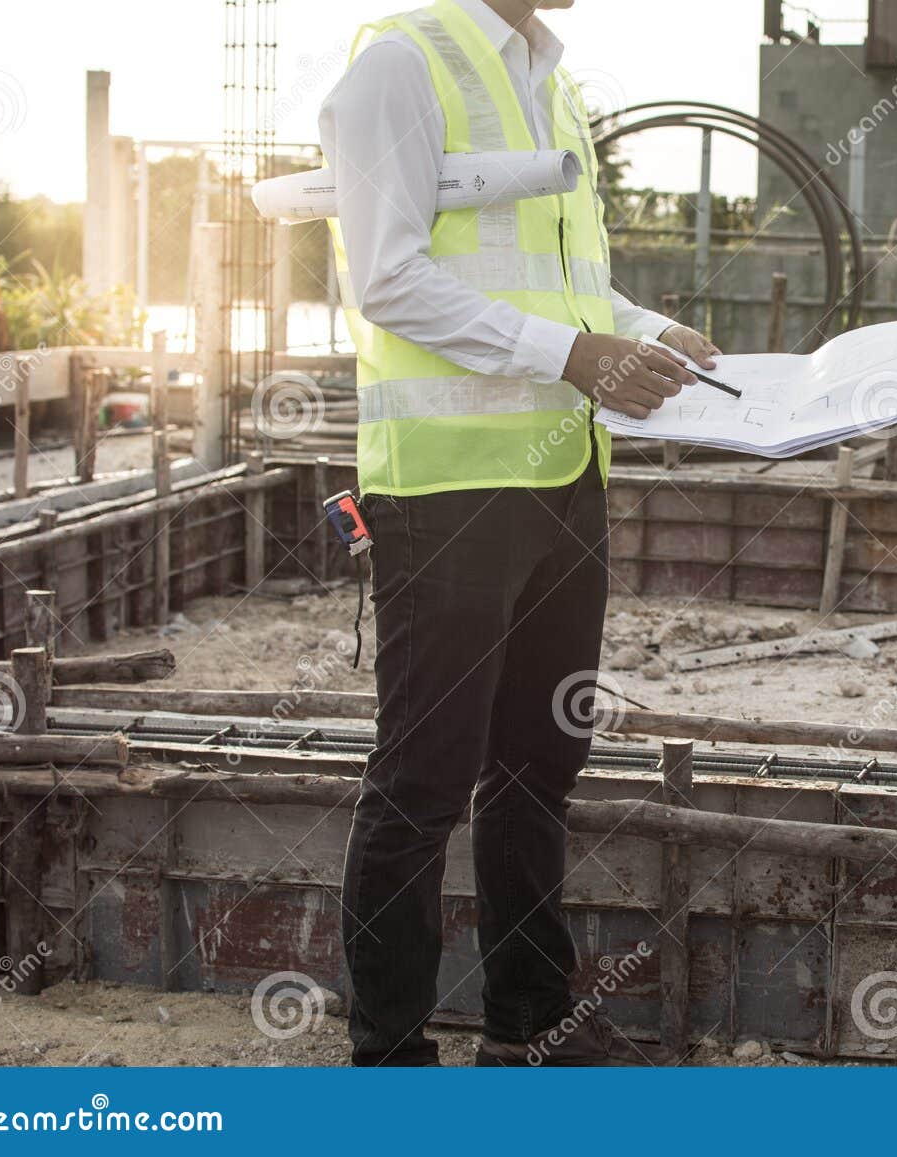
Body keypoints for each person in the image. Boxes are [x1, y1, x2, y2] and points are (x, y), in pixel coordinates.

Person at [319, 0, 718, 1066]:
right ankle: (391, 1060)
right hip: (449, 490)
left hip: (561, 475)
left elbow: (561, 286)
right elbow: (389, 277)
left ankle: (531, 1026)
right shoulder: (398, 67)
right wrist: (577, 355)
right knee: (422, 779)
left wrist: (640, 327)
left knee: (540, 762)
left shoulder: (547, 75)